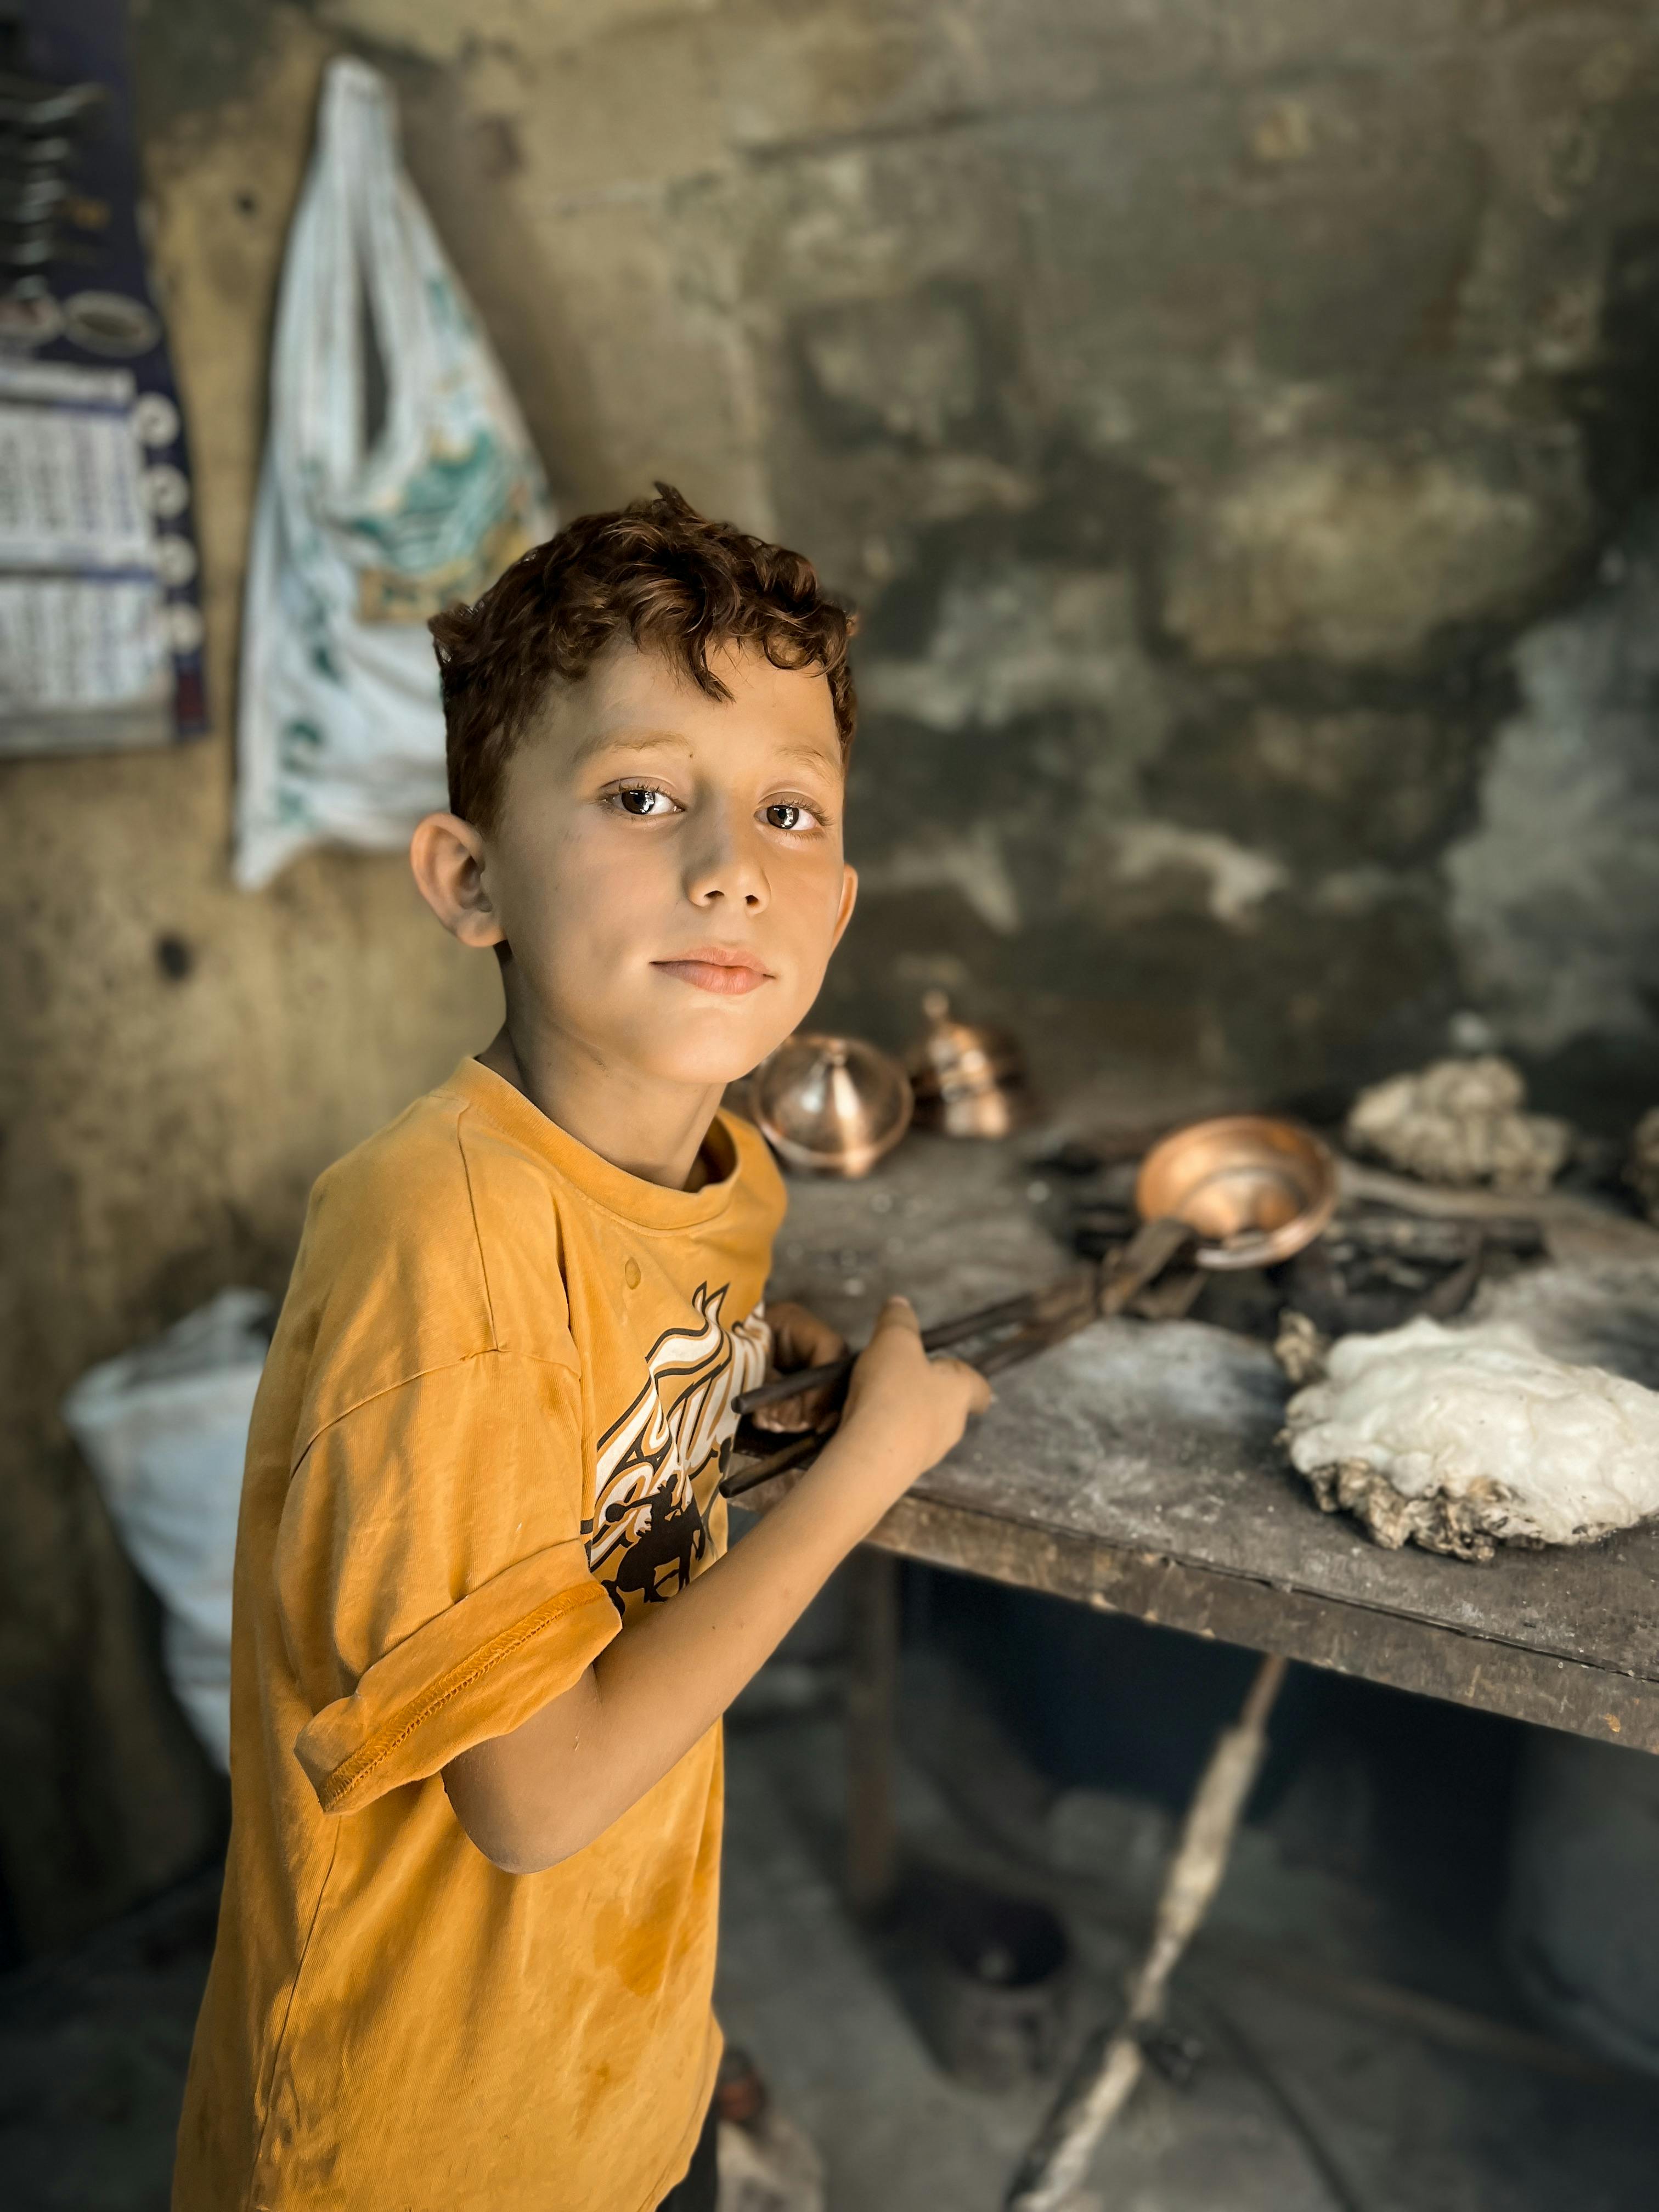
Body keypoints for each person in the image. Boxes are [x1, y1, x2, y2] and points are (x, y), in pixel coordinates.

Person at [173, 486, 991, 2212]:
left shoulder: (713, 1176)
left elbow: (598, 1425)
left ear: (833, 908)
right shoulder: (434, 1239)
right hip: (422, 2142)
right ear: (470, 880)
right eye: (641, 796)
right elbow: (535, 1800)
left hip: (609, 2060)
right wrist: (855, 1478)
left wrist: (738, 1370)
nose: (727, 866)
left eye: (786, 813)